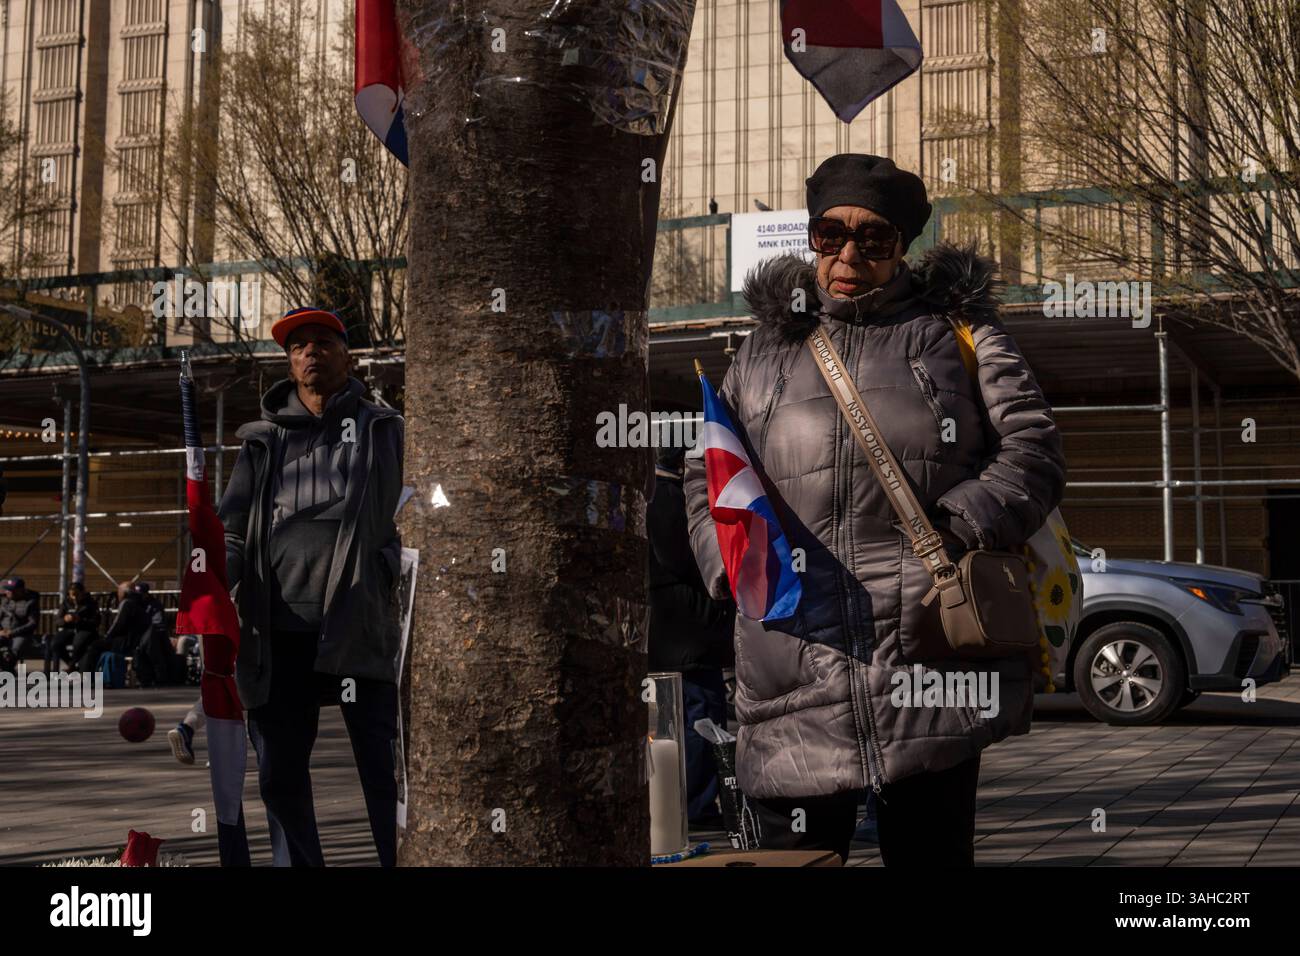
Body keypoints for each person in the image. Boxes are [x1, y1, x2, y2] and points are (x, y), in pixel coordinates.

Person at [684, 153, 1066, 866]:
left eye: (875, 238)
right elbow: (705, 475)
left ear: (904, 248)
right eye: (831, 235)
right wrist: (728, 566)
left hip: (929, 673)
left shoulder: (960, 338)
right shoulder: (763, 352)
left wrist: (959, 527)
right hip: (791, 673)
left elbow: (1035, 450)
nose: (850, 254)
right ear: (812, 238)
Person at [220, 307, 404, 867]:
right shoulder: (261, 440)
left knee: (383, 769)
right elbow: (231, 531)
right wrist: (207, 595)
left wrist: (391, 566)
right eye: (297, 346)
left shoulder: (384, 428)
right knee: (279, 773)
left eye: (322, 342)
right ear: (288, 361)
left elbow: (421, 509)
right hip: (277, 634)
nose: (309, 353)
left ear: (348, 355)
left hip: (359, 622)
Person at [647, 444, 736, 825]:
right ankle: (696, 806)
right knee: (699, 724)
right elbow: (682, 557)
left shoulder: (654, 495)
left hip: (682, 636)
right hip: (687, 636)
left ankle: (692, 803)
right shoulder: (665, 498)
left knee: (689, 722)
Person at [49, 581, 101, 674]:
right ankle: (71, 664)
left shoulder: (90, 603)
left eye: (77, 594)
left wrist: (80, 620)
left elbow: (96, 621)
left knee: (78, 643)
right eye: (72, 595)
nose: (75, 598)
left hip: (85, 629)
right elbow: (57, 620)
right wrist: (65, 620)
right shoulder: (66, 603)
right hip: (69, 629)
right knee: (55, 643)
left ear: (82, 593)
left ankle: (72, 666)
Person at [0, 577, 42, 668]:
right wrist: (1, 631)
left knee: (16, 648)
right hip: (3, 631)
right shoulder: (5, 601)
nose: (8, 592)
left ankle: (7, 670)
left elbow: (33, 623)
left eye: (11, 590)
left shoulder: (30, 602)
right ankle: (6, 669)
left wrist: (12, 632)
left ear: (20, 590)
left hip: (20, 634)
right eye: (7, 590)